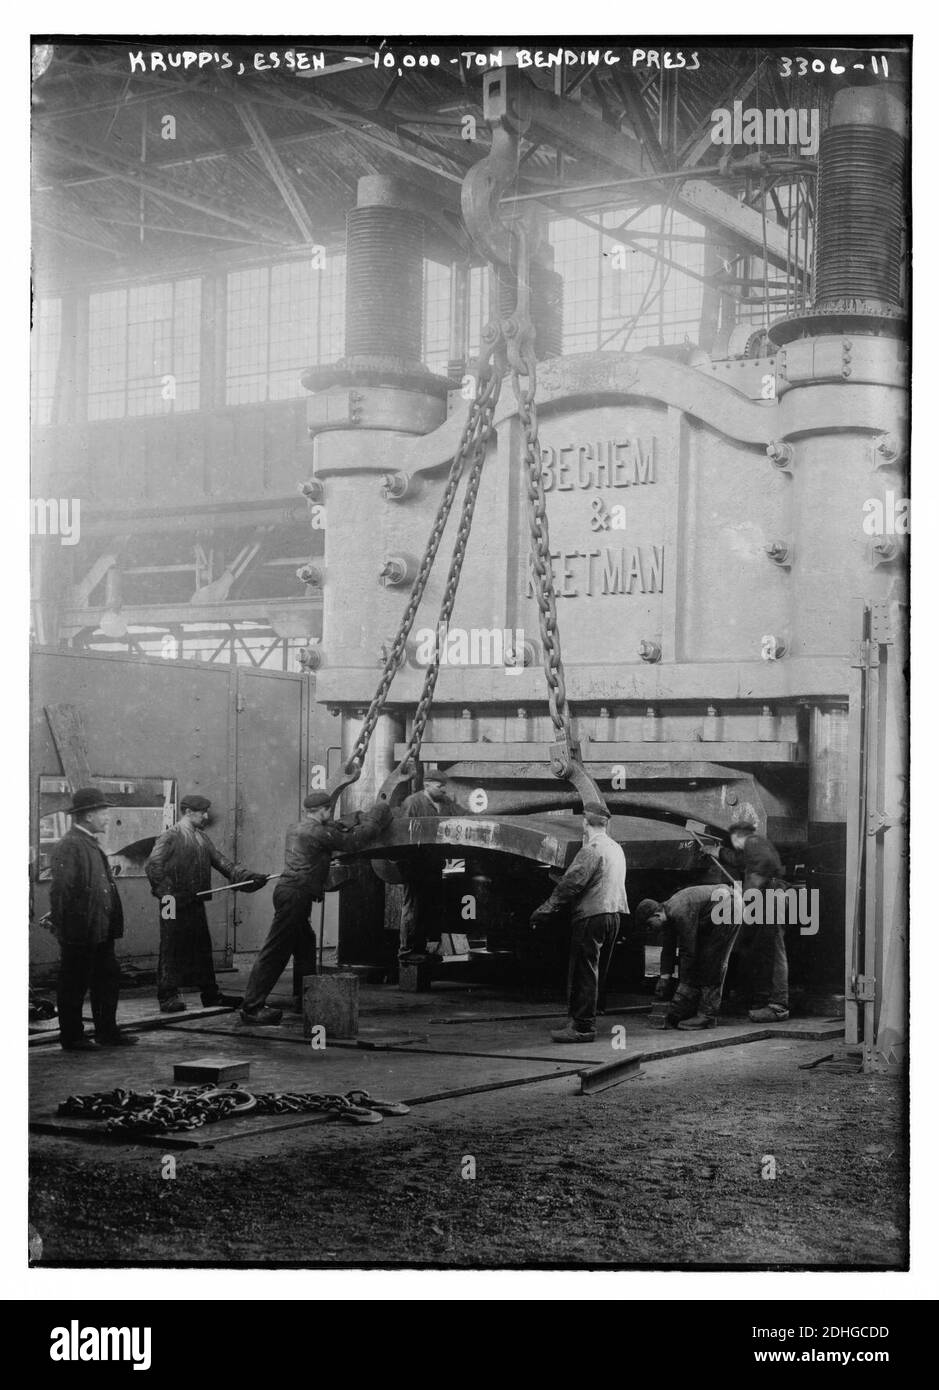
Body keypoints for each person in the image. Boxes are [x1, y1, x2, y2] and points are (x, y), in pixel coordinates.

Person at [240, 792, 394, 1025]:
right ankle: (252, 1008)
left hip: (290, 892)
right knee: (276, 951)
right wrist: (376, 816)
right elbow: (353, 841)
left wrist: (356, 816)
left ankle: (305, 999)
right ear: (325, 810)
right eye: (329, 811)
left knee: (305, 944)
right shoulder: (318, 832)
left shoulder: (298, 827)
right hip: (296, 895)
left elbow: (332, 828)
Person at [145, 794, 266, 1014]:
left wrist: (250, 878)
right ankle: (167, 996)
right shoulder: (170, 836)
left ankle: (211, 995)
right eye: (203, 812)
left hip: (194, 900)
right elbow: (153, 866)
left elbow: (224, 864)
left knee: (202, 947)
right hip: (171, 901)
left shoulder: (201, 838)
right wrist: (168, 894)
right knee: (171, 945)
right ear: (189, 812)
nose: (206, 816)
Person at [529, 803, 627, 1043]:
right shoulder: (616, 848)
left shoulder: (591, 849)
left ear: (585, 823)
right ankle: (589, 1015)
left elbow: (572, 883)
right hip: (613, 914)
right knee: (596, 970)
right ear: (606, 824)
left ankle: (582, 1027)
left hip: (591, 915)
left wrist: (545, 909)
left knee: (583, 971)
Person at [49, 786, 137, 1050]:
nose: (107, 818)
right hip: (81, 931)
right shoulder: (71, 845)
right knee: (74, 984)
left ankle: (107, 1032)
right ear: (88, 815)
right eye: (103, 812)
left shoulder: (87, 842)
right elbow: (61, 891)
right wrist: (65, 928)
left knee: (106, 980)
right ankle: (73, 1037)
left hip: (99, 929)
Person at [634, 885, 740, 1030]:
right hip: (716, 908)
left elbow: (688, 951)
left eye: (649, 926)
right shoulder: (668, 915)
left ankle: (707, 1016)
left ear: (656, 915)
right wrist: (664, 978)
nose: (650, 931)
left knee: (712, 961)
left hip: (729, 905)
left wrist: (682, 992)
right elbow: (668, 948)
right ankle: (694, 1009)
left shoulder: (679, 911)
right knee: (703, 959)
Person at [721, 818, 790, 1022]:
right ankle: (763, 1000)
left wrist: (750, 893)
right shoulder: (756, 846)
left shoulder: (753, 842)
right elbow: (740, 860)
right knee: (763, 949)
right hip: (771, 896)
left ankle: (779, 1006)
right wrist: (717, 852)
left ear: (736, 837)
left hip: (771, 897)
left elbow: (763, 864)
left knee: (774, 950)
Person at [398, 770, 460, 959]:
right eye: (440, 786)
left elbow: (463, 816)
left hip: (434, 864)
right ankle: (407, 951)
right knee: (413, 907)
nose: (444, 790)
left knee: (429, 906)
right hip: (415, 864)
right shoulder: (413, 803)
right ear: (427, 785)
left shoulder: (446, 803)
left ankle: (421, 948)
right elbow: (402, 835)